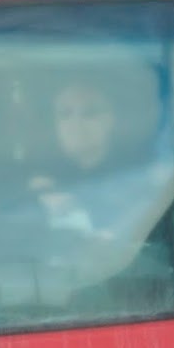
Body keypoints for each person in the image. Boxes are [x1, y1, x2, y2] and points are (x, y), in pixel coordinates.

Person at [30, 80, 120, 234]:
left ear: (111, 119)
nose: (76, 123)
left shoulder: (137, 174)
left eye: (89, 113)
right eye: (65, 114)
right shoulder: (38, 182)